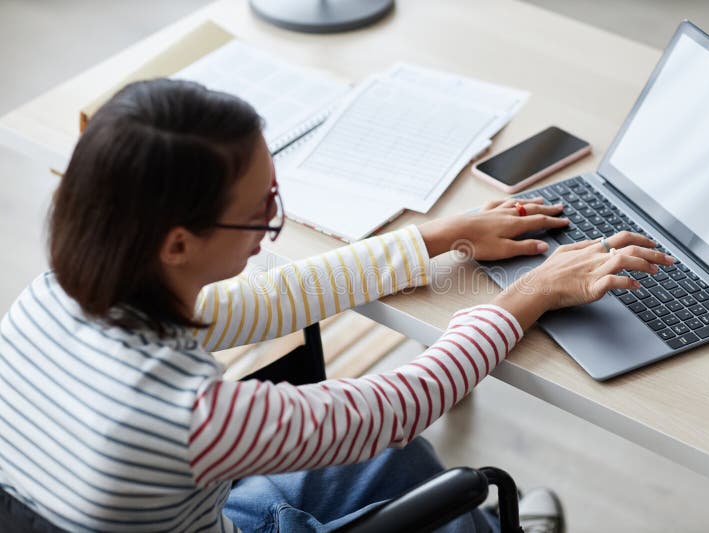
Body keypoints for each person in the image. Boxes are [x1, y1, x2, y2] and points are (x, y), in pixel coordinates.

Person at [0, 79, 671, 532]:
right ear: (178, 242)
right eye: (260, 211)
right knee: (409, 460)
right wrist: (535, 291)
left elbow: (268, 299)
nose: (273, 223)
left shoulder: (58, 295)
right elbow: (395, 405)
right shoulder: (194, 416)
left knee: (395, 463)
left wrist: (439, 236)